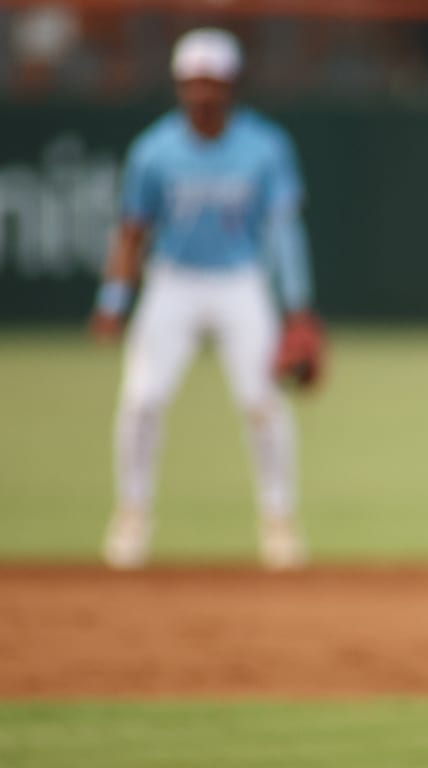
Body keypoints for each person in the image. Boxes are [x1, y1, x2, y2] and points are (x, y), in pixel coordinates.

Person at [90, 28, 320, 571]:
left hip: (240, 283)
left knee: (264, 405)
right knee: (142, 401)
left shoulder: (265, 146)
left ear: (231, 84)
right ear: (179, 85)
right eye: (193, 82)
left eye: (212, 81)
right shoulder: (154, 151)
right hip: (172, 283)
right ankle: (132, 515)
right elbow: (131, 232)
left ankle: (279, 520)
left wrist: (298, 307)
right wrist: (114, 296)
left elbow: (284, 232)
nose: (202, 93)